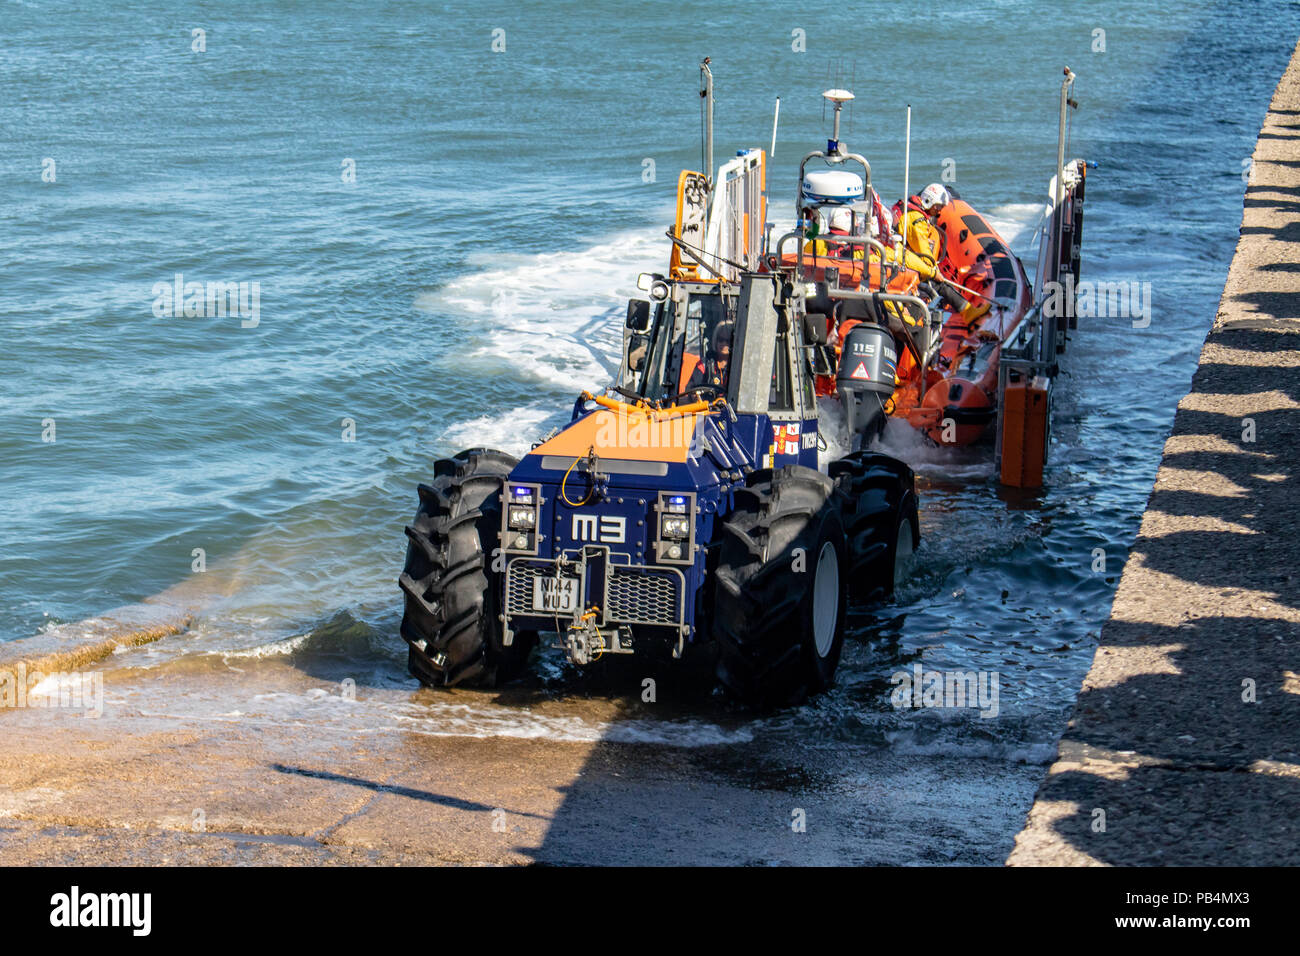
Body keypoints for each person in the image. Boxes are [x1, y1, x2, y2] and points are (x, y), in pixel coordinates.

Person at [686, 319, 733, 392]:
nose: (724, 344)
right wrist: (693, 395)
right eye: (721, 340)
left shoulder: (738, 366)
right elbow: (691, 388)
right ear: (716, 340)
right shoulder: (704, 364)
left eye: (728, 341)